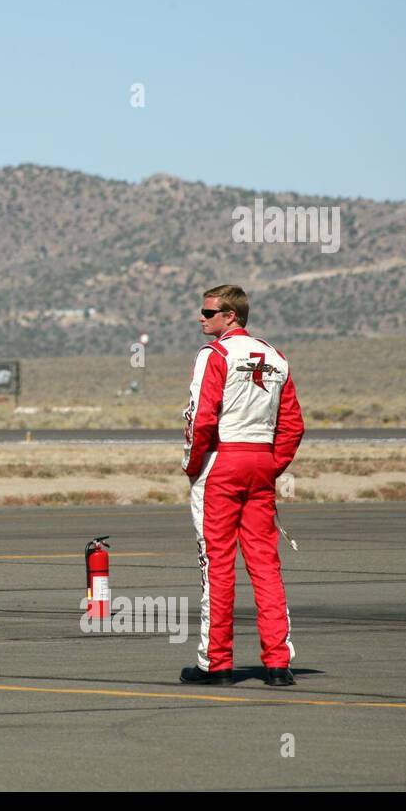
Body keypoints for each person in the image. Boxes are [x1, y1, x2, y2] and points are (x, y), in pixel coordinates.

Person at [179, 285, 304, 686]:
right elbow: (293, 425)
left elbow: (201, 418)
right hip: (261, 462)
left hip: (223, 461)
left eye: (208, 312)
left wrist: (192, 465)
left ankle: (216, 664)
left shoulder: (213, 355)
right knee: (266, 565)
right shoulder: (276, 356)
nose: (201, 317)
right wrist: (271, 465)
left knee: (217, 564)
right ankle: (278, 663)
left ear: (230, 316)